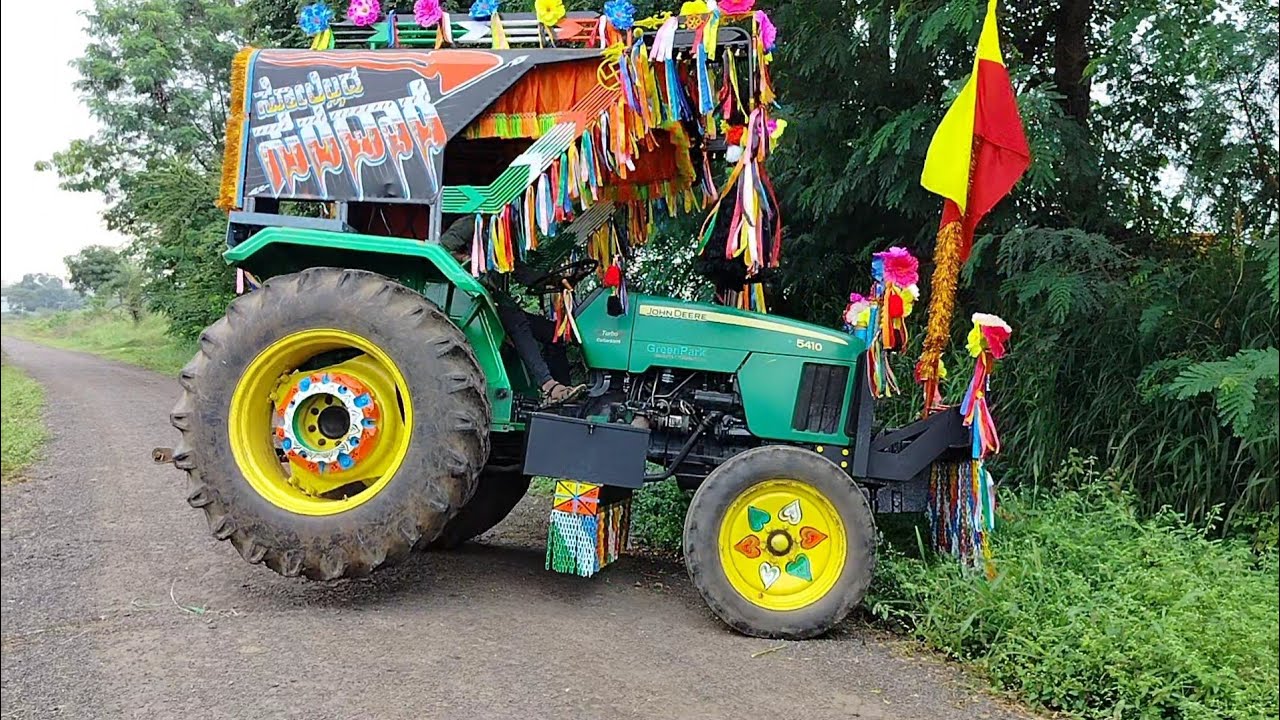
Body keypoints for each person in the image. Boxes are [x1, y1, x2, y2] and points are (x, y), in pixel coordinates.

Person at [438, 215, 586, 405]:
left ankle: (564, 395)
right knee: (516, 319)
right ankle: (548, 386)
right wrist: (468, 259)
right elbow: (442, 249)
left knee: (554, 333)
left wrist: (556, 280)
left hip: (496, 302)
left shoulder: (502, 233)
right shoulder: (471, 224)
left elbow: (521, 272)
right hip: (472, 299)